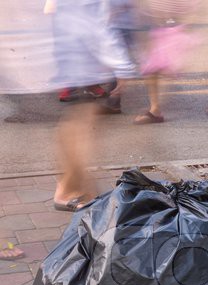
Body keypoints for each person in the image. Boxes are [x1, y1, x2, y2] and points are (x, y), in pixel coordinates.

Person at [50, 0, 138, 209]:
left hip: (74, 54)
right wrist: (122, 66)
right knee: (81, 126)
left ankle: (76, 187)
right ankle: (68, 190)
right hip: (83, 59)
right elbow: (96, 22)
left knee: (79, 124)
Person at [134, 0, 200, 124]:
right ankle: (155, 109)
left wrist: (185, 25)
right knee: (151, 69)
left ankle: (156, 109)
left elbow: (192, 8)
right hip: (161, 30)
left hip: (176, 31)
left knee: (161, 69)